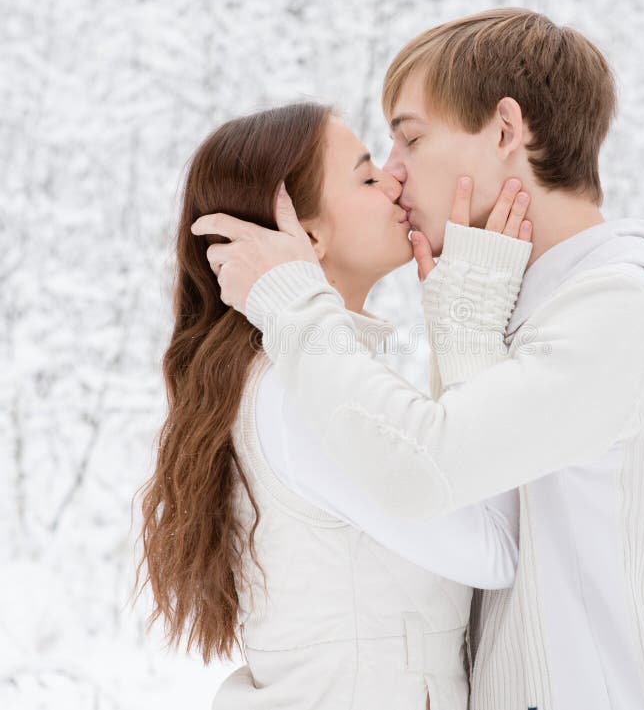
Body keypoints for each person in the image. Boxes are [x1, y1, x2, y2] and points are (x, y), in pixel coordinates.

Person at [192, 8, 644, 710]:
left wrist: (303, 304)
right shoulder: (519, 304)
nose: (393, 174)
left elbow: (431, 474)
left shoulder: (622, 312)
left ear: (506, 131)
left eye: (409, 137)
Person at [134, 101, 534, 710]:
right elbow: (494, 551)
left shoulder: (301, 377)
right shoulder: (294, 397)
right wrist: (472, 334)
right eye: (368, 176)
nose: (395, 180)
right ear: (311, 236)